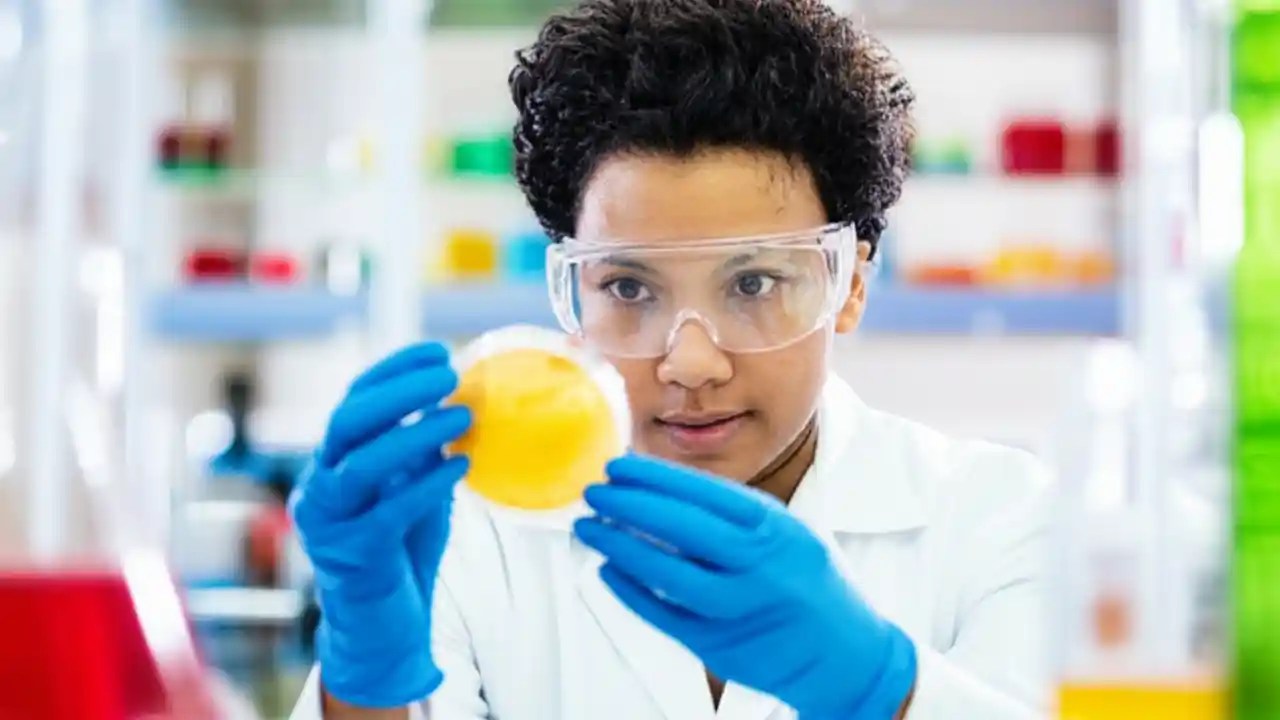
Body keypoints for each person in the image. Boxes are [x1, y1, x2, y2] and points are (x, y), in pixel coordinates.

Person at [289, 1, 1051, 718]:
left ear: (850, 283)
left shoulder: (996, 518)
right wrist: (367, 681)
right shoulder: (472, 536)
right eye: (628, 287)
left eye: (753, 283)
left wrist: (880, 687)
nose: (691, 363)